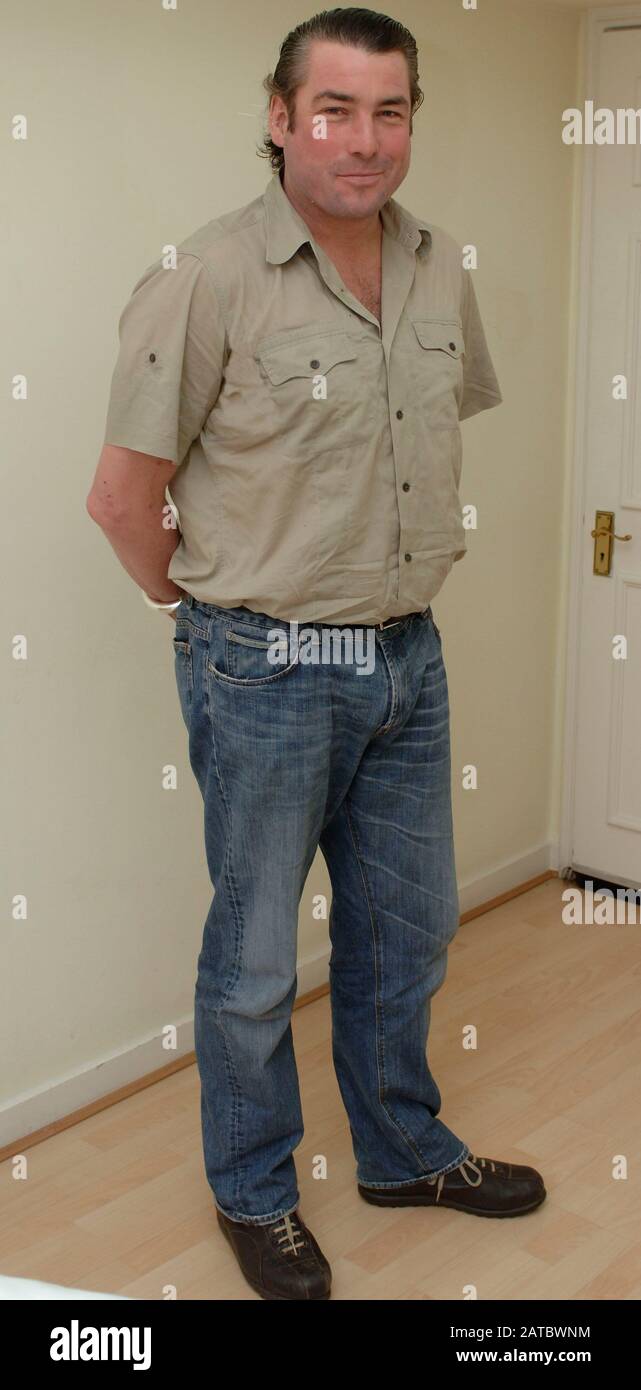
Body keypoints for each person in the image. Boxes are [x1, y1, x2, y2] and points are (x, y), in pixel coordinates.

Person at [87, 7, 546, 1301]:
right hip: (265, 666)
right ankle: (253, 1189)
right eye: (333, 109)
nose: (364, 137)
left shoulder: (438, 263)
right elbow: (124, 496)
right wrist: (212, 618)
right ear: (281, 117)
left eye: (388, 110)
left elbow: (410, 446)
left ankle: (402, 1150)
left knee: (406, 934)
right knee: (248, 963)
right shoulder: (207, 272)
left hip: (409, 658)